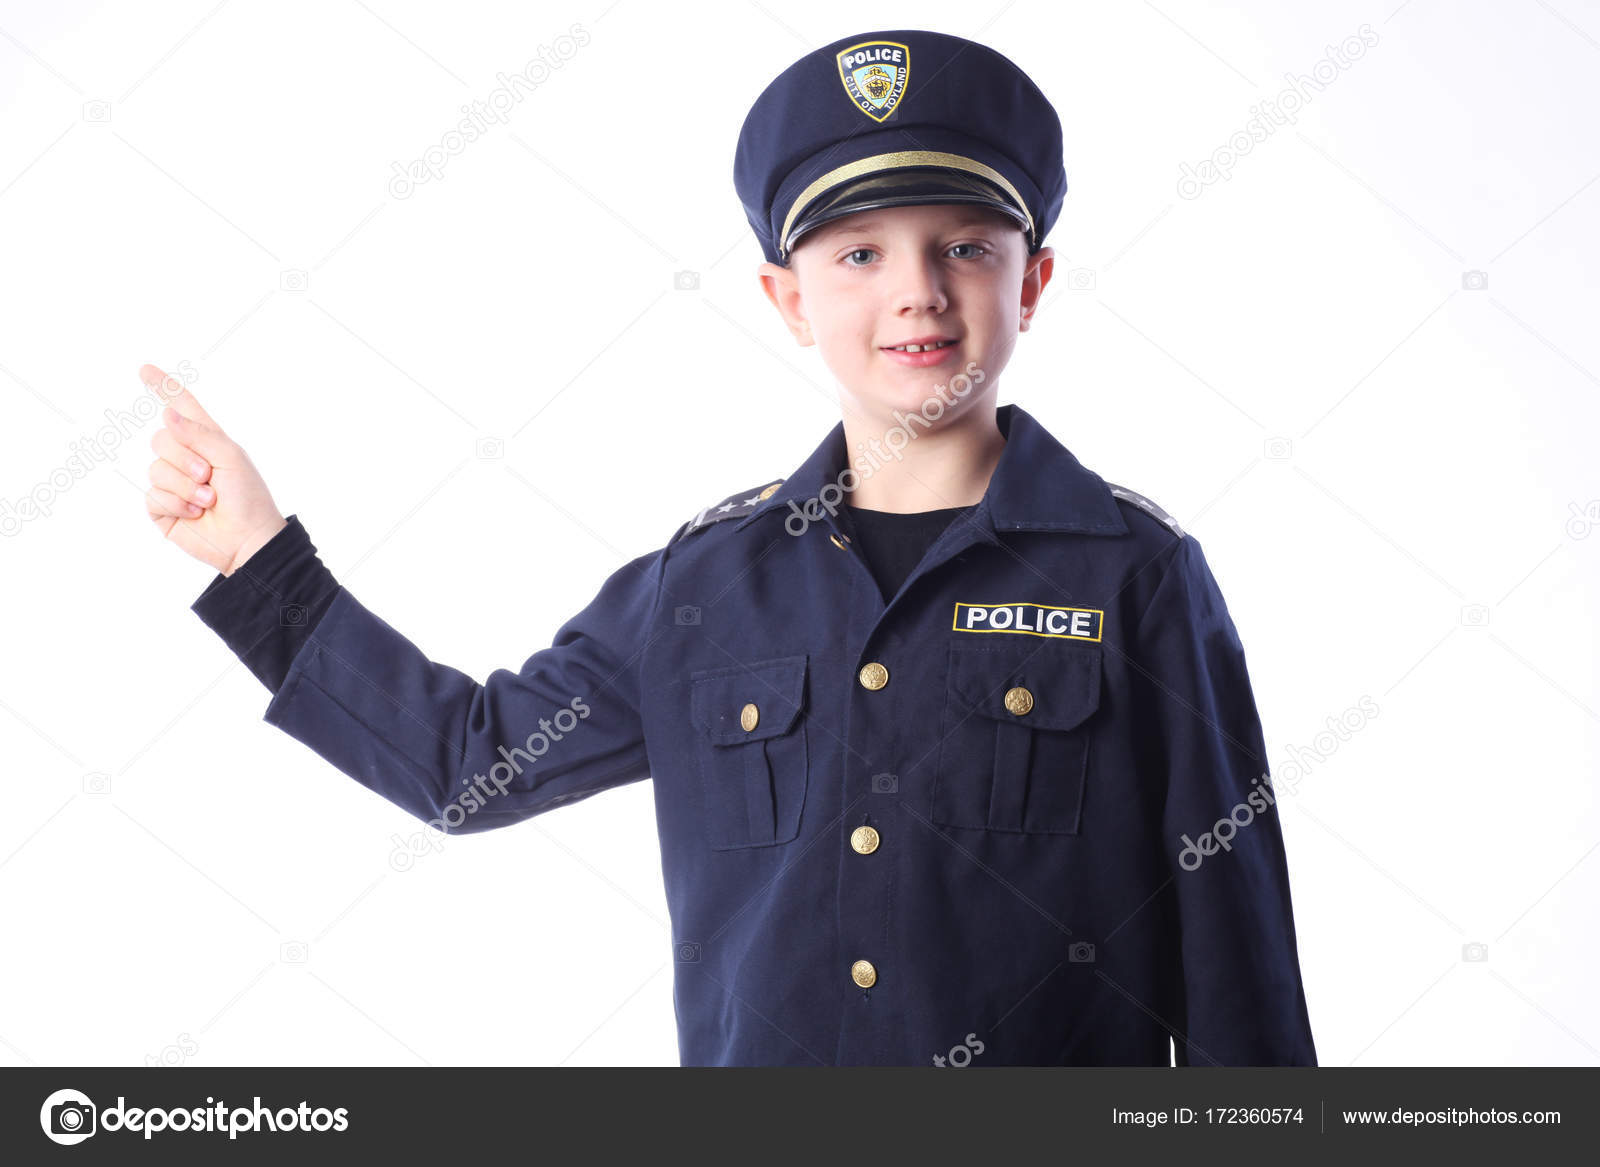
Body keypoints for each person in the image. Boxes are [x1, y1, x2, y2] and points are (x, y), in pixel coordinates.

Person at [144, 28, 1316, 1067]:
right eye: (857, 254)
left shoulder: (1134, 575)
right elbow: (472, 763)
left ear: (1033, 280)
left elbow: (1233, 961)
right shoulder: (704, 588)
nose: (917, 293)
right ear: (788, 299)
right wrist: (260, 560)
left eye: (963, 247)